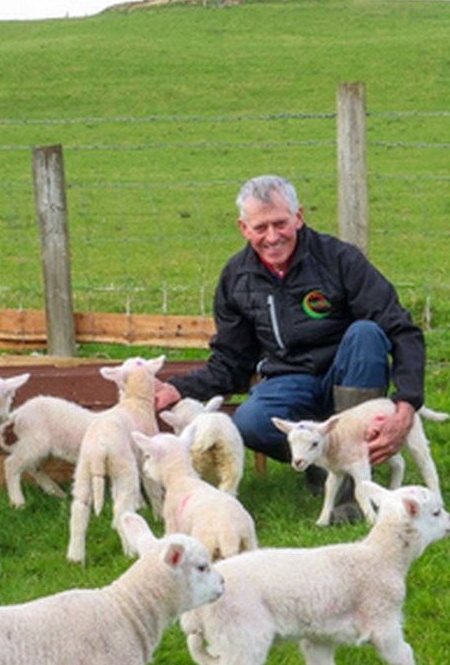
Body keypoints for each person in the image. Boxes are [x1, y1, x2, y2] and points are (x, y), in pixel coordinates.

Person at [154, 174, 426, 524]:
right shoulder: (236, 278)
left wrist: (406, 408)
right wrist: (178, 388)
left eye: (281, 223)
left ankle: (350, 497)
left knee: (367, 334)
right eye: (260, 227)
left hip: (344, 373)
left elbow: (402, 329)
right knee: (249, 422)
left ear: (298, 216)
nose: (272, 236)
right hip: (288, 381)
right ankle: (322, 458)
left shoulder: (340, 259)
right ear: (243, 228)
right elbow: (231, 361)